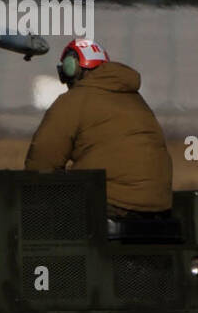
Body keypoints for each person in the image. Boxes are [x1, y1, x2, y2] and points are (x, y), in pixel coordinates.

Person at [24, 38, 172, 217]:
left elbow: (42, 163)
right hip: (159, 207)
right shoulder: (135, 99)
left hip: (110, 204)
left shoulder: (74, 101)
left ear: (72, 67)